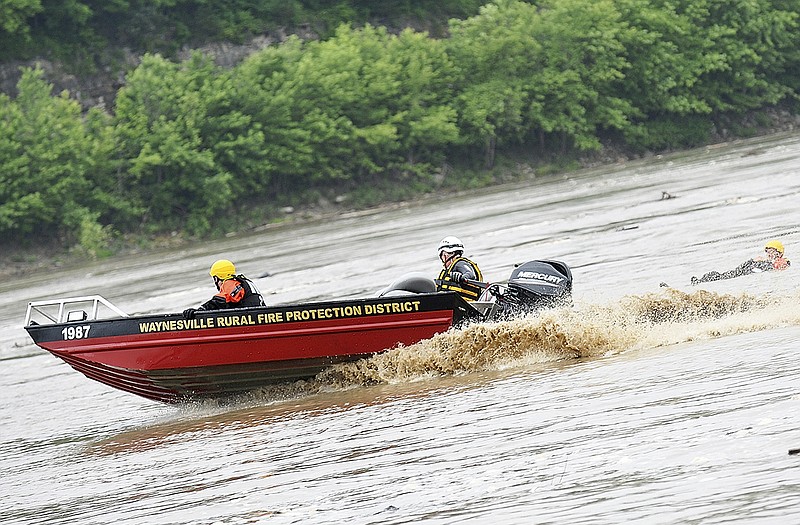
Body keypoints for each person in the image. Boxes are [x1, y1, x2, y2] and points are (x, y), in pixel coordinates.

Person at [183, 259, 265, 318]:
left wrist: (199, 311)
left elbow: (221, 301)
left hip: (251, 320)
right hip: (259, 317)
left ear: (216, 278)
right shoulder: (244, 282)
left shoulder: (230, 283)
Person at [691, 240, 791, 284]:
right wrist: (752, 260)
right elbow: (740, 268)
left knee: (715, 277)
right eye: (768, 252)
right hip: (736, 273)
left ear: (779, 253)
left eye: (772, 252)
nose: (769, 254)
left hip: (739, 275)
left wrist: (757, 262)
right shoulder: (763, 260)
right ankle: (699, 281)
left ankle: (699, 281)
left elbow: (780, 266)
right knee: (713, 274)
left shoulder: (779, 262)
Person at [436, 236, 484, 301]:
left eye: (443, 255)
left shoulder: (460, 263)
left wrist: (461, 277)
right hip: (451, 303)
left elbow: (470, 274)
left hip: (464, 306)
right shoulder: (451, 269)